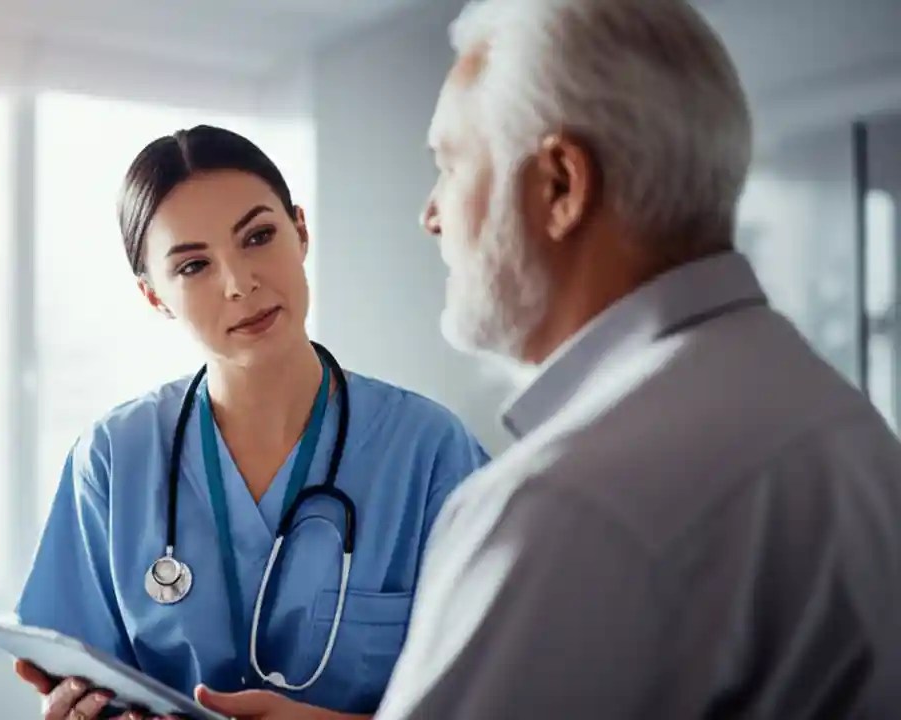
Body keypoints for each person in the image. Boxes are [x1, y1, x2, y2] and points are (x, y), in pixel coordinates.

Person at [376, 0, 901, 717]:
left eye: (449, 165)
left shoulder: (566, 509)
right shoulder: (851, 432)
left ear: (560, 186)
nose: (430, 215)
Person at [15, 125, 490, 720]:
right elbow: (84, 682)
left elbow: (507, 693)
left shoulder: (430, 453)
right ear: (154, 297)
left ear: (301, 231)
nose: (240, 284)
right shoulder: (113, 459)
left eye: (259, 237)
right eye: (194, 266)